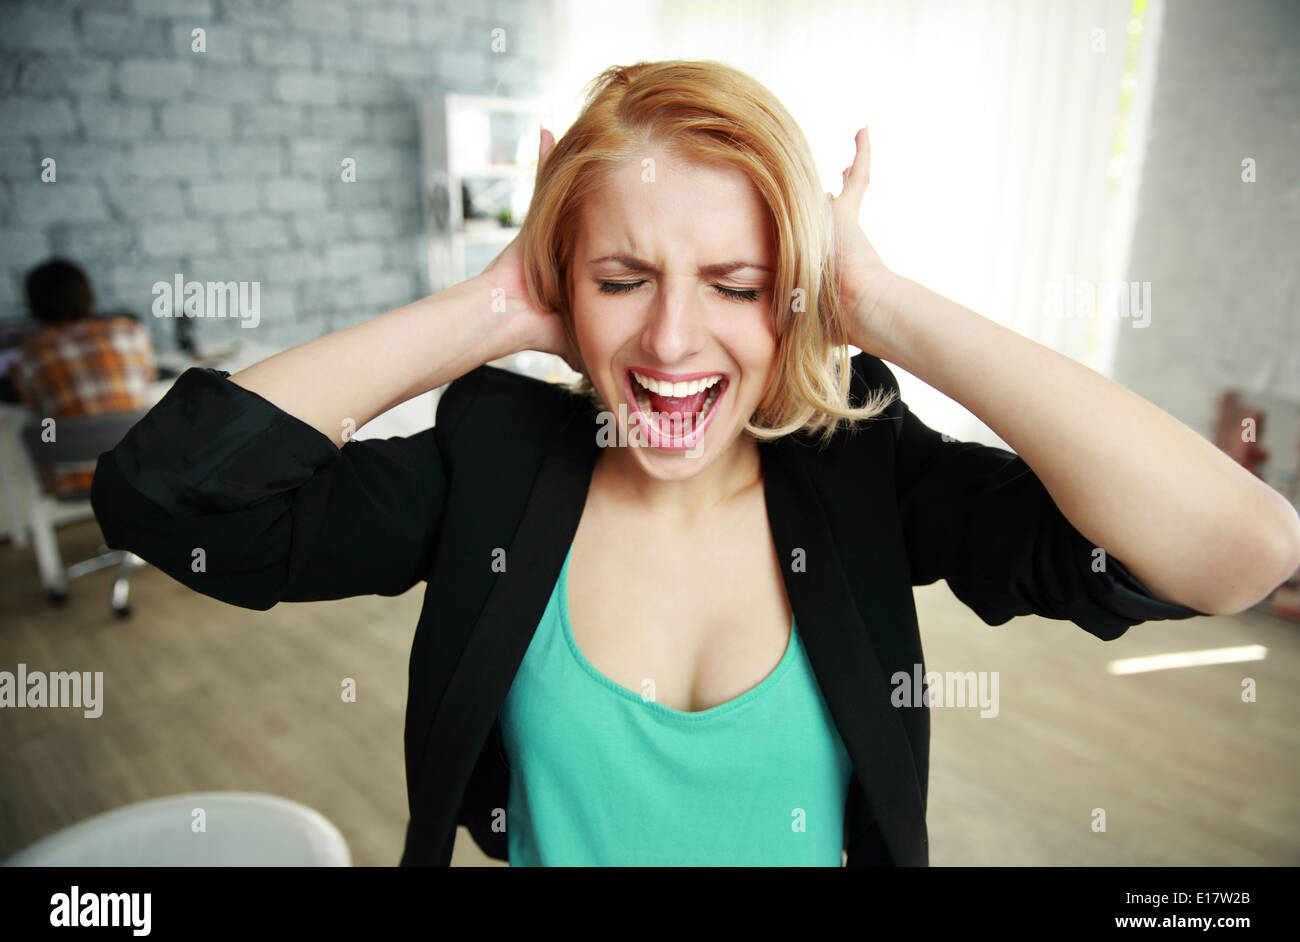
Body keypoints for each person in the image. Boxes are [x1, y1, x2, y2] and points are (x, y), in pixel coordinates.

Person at [90, 60, 1300, 866]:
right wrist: (495, 300)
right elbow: (165, 497)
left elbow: (1238, 552)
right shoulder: (493, 458)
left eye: (737, 285)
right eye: (620, 280)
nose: (671, 341)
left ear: (798, 296)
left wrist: (879, 301)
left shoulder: (858, 458)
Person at [12, 258, 156, 498]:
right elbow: (148, 377)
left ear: (34, 304)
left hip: (71, 478)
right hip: (142, 468)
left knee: (39, 425)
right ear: (87, 294)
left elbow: (32, 403)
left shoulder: (30, 354)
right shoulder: (129, 331)